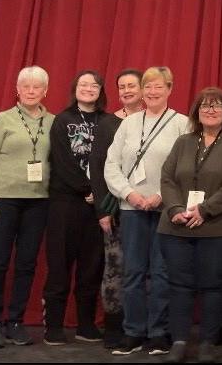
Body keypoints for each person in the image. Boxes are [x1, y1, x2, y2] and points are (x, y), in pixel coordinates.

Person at [158, 88, 222, 364]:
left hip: (220, 228)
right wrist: (175, 209)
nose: (211, 111)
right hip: (177, 227)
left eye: (217, 107)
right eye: (205, 106)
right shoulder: (183, 142)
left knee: (213, 286)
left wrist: (205, 210)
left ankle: (208, 342)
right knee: (179, 286)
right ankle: (180, 342)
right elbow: (167, 178)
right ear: (197, 112)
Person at [105, 66, 190, 356]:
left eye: (159, 86)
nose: (153, 92)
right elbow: (111, 165)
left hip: (166, 209)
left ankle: (158, 333)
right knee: (133, 273)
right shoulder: (128, 125)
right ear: (142, 91)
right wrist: (130, 194)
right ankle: (132, 332)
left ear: (169, 89)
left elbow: (187, 170)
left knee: (162, 272)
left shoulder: (182, 123)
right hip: (132, 209)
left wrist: (160, 196)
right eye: (148, 87)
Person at [0, 66, 55, 349]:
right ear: (17, 90)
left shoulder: (53, 122)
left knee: (27, 263)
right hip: (4, 201)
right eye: (26, 86)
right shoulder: (4, 119)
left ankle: (16, 321)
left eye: (37, 87)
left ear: (45, 91)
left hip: (39, 202)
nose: (31, 91)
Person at [42, 70, 108, 345]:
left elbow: (112, 161)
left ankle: (86, 324)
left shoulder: (109, 121)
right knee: (59, 264)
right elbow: (62, 161)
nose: (88, 88)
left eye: (94, 85)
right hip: (65, 203)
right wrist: (87, 189)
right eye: (83, 84)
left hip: (97, 207)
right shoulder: (62, 120)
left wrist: (100, 194)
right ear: (75, 89)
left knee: (92, 266)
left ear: (101, 91)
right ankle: (54, 326)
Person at [89, 68, 144, 350]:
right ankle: (114, 327)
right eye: (121, 86)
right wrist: (102, 210)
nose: (126, 90)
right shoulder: (107, 124)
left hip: (148, 208)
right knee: (116, 267)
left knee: (146, 269)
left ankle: (145, 326)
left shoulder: (156, 120)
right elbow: (97, 170)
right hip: (116, 208)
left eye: (131, 85)